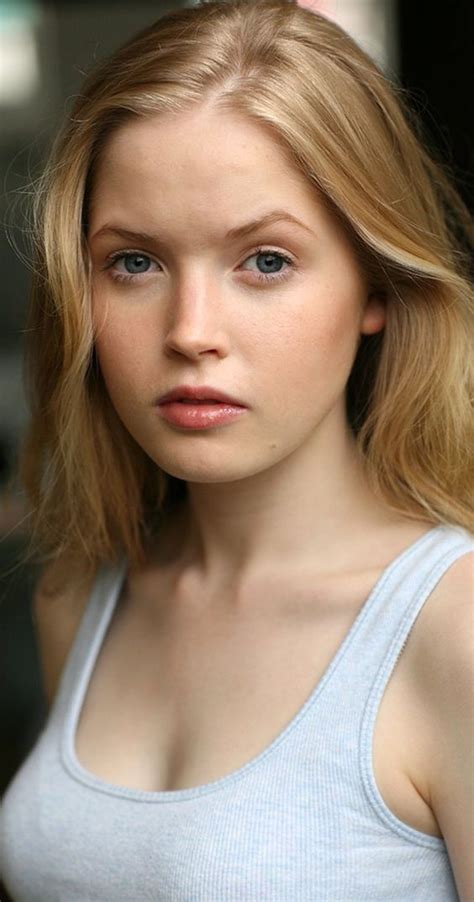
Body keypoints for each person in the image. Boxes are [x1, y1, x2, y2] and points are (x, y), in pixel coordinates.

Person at [0, 1, 473, 898]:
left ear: (376, 283)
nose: (191, 332)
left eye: (264, 261)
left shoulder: (454, 629)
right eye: (134, 263)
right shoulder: (82, 594)